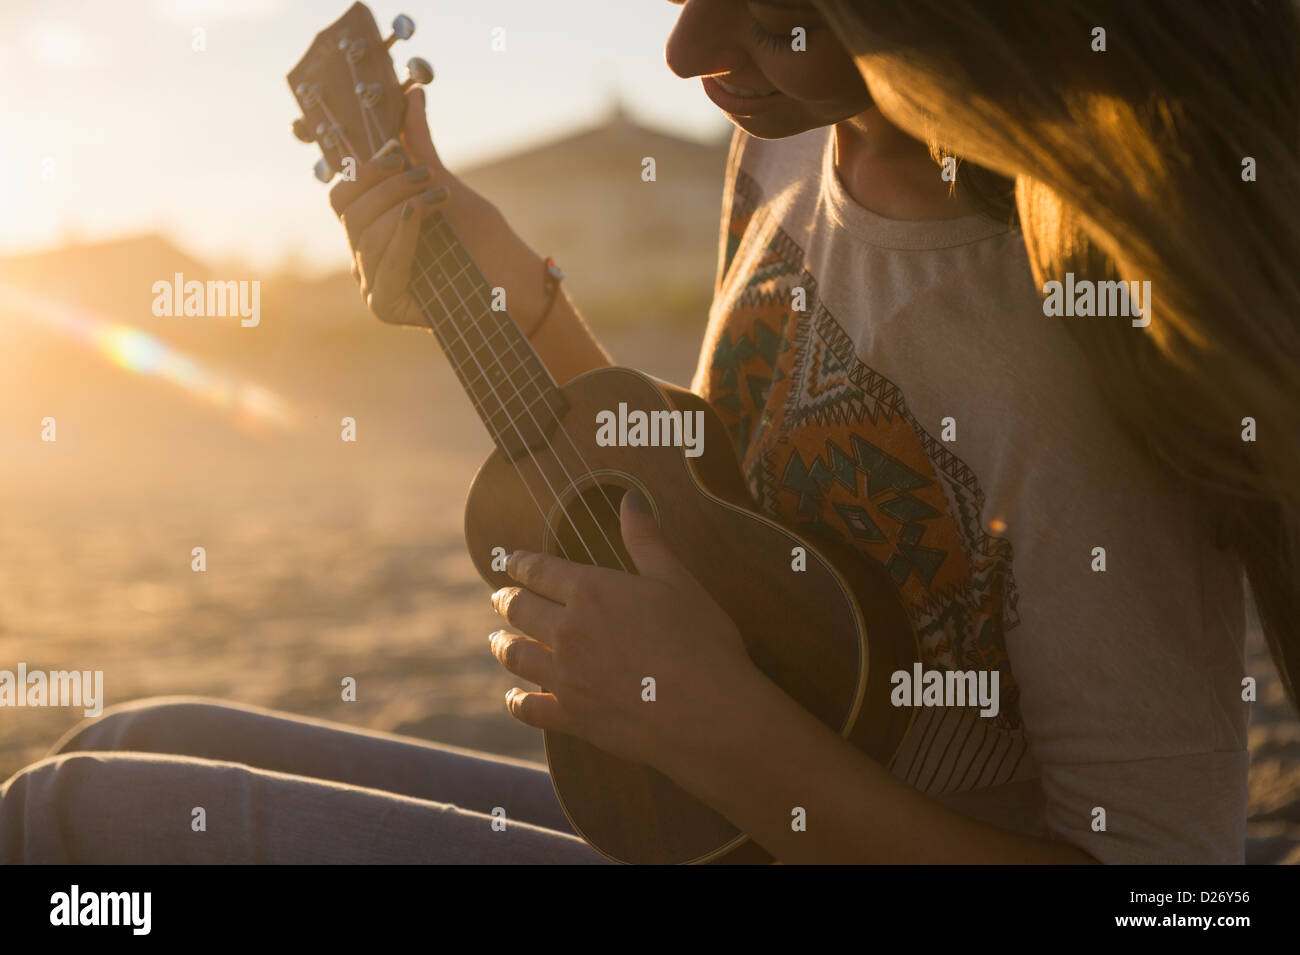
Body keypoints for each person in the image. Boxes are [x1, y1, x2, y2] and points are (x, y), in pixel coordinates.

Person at [1, 0, 1267, 864]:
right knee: (124, 735)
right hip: (721, 816)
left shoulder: (1087, 348)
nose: (680, 47)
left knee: (67, 817)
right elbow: (739, 517)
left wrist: (719, 729)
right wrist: (507, 293)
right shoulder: (793, 145)